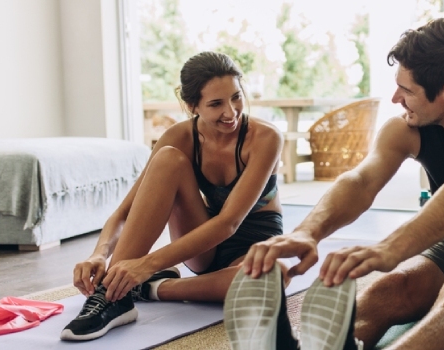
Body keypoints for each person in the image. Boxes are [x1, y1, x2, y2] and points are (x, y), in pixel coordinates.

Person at [225, 18, 444, 350]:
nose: (395, 99)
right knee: (386, 289)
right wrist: (307, 232)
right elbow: (361, 181)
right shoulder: (407, 128)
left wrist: (390, 248)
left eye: (407, 90)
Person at [61, 51, 286, 341]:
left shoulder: (266, 138)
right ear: (192, 105)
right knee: (167, 159)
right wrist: (99, 254)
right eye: (216, 104)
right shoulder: (179, 137)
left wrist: (146, 267)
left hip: (253, 245)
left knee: (272, 278)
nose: (231, 112)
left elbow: (229, 223)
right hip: (202, 240)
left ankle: (148, 288)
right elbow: (126, 211)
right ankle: (111, 296)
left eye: (236, 97)